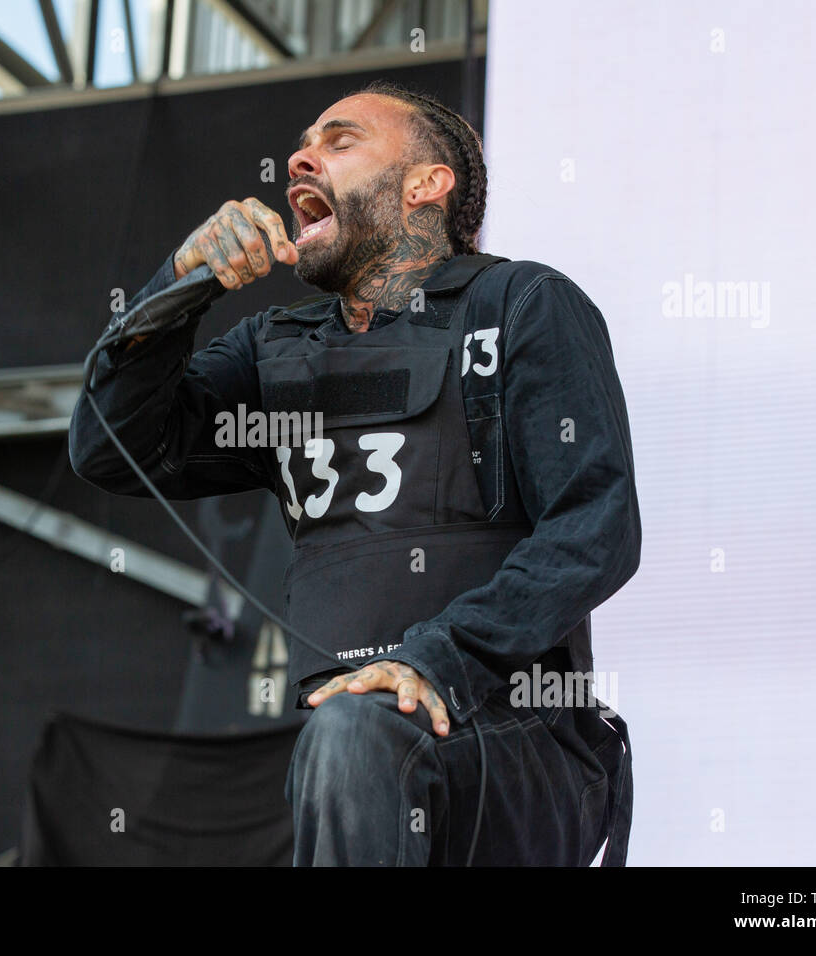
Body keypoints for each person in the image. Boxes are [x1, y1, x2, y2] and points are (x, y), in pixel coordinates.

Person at [69, 81, 641, 866]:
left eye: (340, 142)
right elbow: (108, 446)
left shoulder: (520, 302)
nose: (302, 157)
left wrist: (435, 660)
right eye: (305, 143)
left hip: (519, 744)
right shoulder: (276, 344)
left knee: (351, 732)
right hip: (353, 758)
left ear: (425, 184)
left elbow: (596, 527)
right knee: (346, 737)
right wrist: (179, 283)